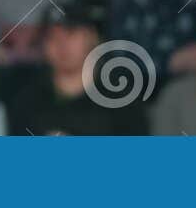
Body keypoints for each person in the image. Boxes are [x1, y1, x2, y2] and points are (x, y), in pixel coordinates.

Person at [10, 9, 146, 136]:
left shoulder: (122, 101)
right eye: (52, 37)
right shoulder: (27, 100)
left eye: (71, 33)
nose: (61, 44)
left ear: (92, 37)